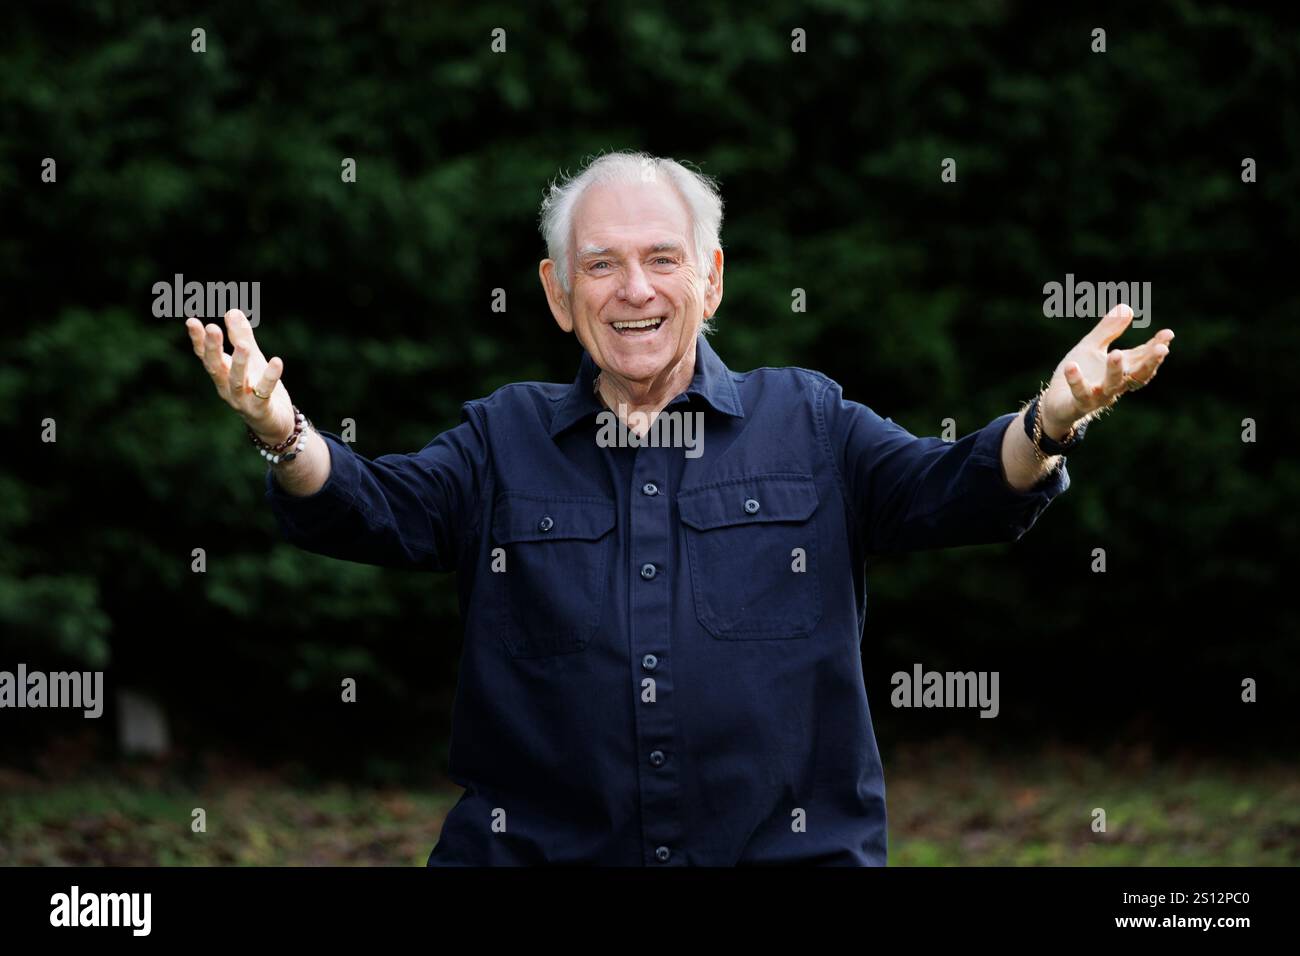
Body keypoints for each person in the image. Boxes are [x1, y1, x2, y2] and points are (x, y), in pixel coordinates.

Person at [184, 150, 1174, 865]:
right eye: (601, 264)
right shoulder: (501, 437)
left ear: (711, 277)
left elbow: (956, 488)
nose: (634, 289)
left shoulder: (811, 420)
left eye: (662, 258)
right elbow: (369, 508)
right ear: (557, 293)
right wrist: (282, 430)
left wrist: (1049, 420)